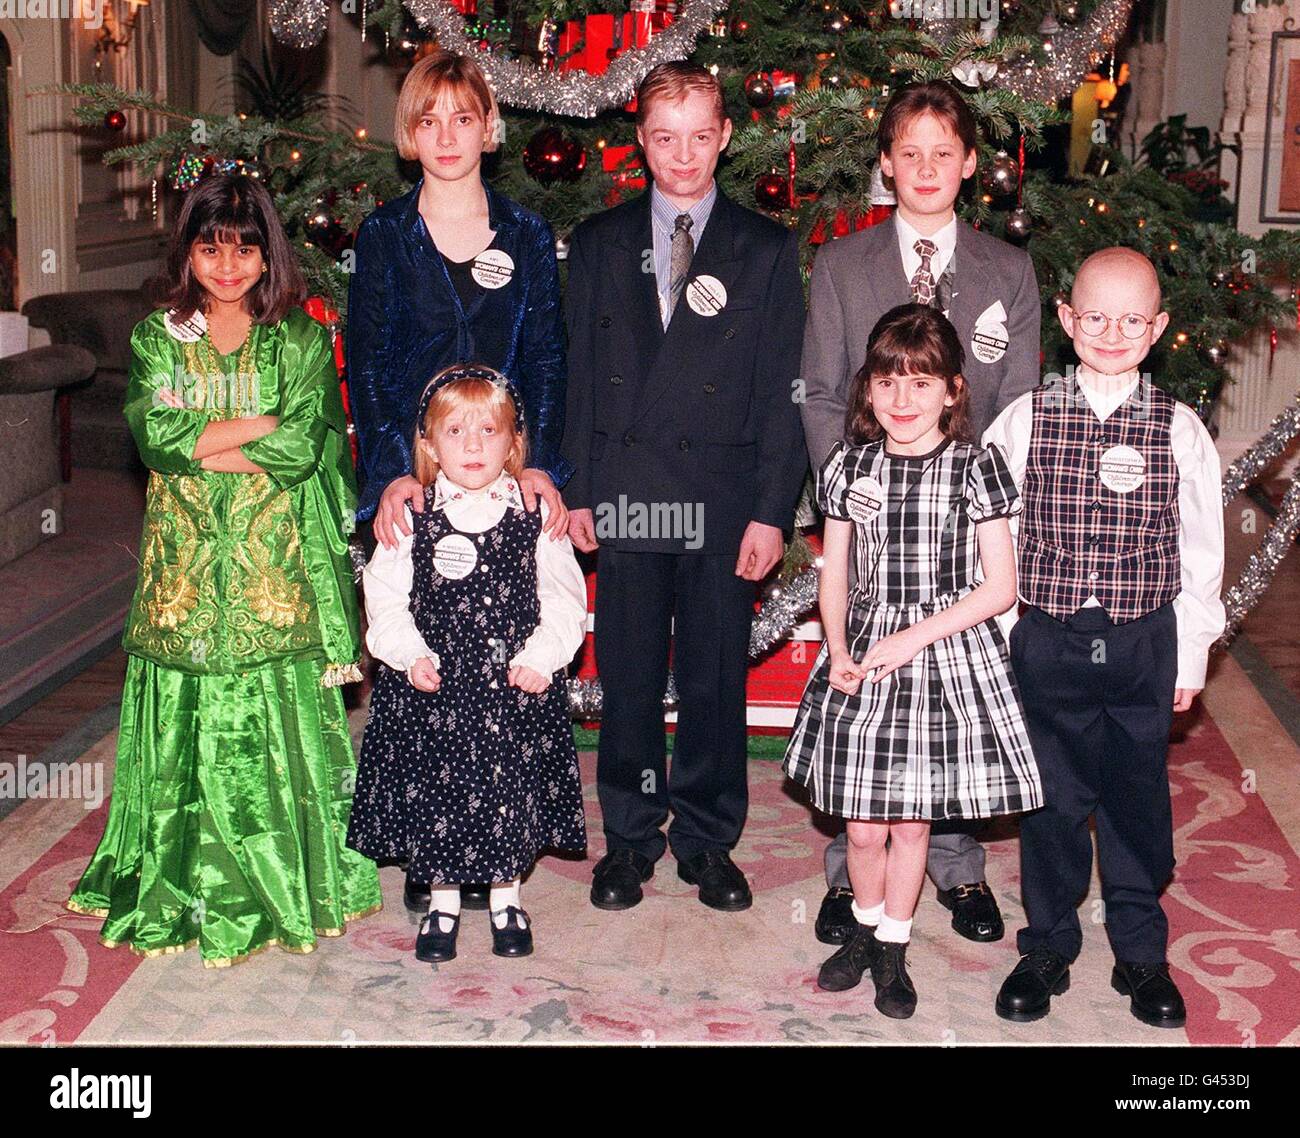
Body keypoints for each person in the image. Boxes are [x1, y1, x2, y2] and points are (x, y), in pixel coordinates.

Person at [66, 174, 381, 967]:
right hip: (186, 570)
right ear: (187, 253)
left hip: (274, 571)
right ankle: (175, 881)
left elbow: (303, 447)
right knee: (188, 712)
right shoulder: (158, 339)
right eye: (211, 249)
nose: (229, 266)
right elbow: (156, 437)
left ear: (268, 255)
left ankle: (288, 878)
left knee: (272, 715)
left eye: (244, 250)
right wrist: (257, 422)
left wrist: (207, 439)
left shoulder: (300, 339)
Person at [799, 79, 1041, 946]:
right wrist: (852, 494)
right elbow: (822, 391)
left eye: (944, 153)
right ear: (887, 165)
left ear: (970, 163)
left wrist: (984, 506)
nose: (927, 168)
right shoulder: (843, 265)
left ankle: (958, 865)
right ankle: (848, 873)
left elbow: (1017, 403)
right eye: (911, 154)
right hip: (872, 507)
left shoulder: (1008, 270)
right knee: (865, 692)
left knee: (952, 701)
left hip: (965, 515)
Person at [563, 61, 806, 912]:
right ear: (640, 140)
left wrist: (771, 512)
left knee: (713, 677)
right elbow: (579, 378)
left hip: (721, 495)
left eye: (701, 136)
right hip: (628, 489)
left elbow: (782, 392)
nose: (683, 155)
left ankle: (707, 839)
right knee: (629, 674)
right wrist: (579, 491)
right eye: (665, 138)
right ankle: (630, 838)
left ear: (726, 136)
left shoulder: (765, 248)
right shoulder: (601, 243)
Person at [347, 50, 572, 916]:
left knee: (503, 666)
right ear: (410, 133)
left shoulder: (525, 233)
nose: (447, 136)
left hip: (504, 471)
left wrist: (542, 463)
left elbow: (547, 357)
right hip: (423, 477)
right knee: (426, 669)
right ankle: (431, 843)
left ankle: (500, 838)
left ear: (489, 127)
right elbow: (368, 368)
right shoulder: (384, 235)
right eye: (429, 120)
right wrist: (389, 480)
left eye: (463, 118)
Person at [987, 247, 1225, 1028]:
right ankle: (1048, 944)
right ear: (1066, 319)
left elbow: (1201, 551)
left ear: (1157, 328)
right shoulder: (1027, 417)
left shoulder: (1179, 428)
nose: (1112, 334)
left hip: (1142, 642)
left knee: (1135, 796)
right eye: (1095, 317)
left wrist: (1190, 653)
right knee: (1051, 798)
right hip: (1050, 637)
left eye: (1131, 321)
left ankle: (1140, 950)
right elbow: (994, 529)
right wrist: (1007, 629)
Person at [784, 304, 1041, 1017]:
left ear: (953, 391)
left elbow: (1000, 587)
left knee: (911, 821)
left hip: (941, 654)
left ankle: (894, 946)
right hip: (864, 652)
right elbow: (835, 570)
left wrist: (914, 637)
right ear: (867, 389)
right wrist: (839, 647)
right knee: (862, 824)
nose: (903, 399)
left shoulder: (975, 467)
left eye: (922, 383)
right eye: (888, 382)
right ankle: (865, 931)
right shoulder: (848, 465)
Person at [347, 365, 587, 962]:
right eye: (455, 432)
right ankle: (443, 903)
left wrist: (542, 657)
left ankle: (507, 899)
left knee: (507, 790)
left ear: (514, 443)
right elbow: (384, 597)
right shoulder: (411, 515)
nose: (473, 446)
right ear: (429, 445)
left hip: (509, 686)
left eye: (489, 431)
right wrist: (408, 654)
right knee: (439, 793)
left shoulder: (536, 514)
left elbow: (564, 597)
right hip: (436, 686)